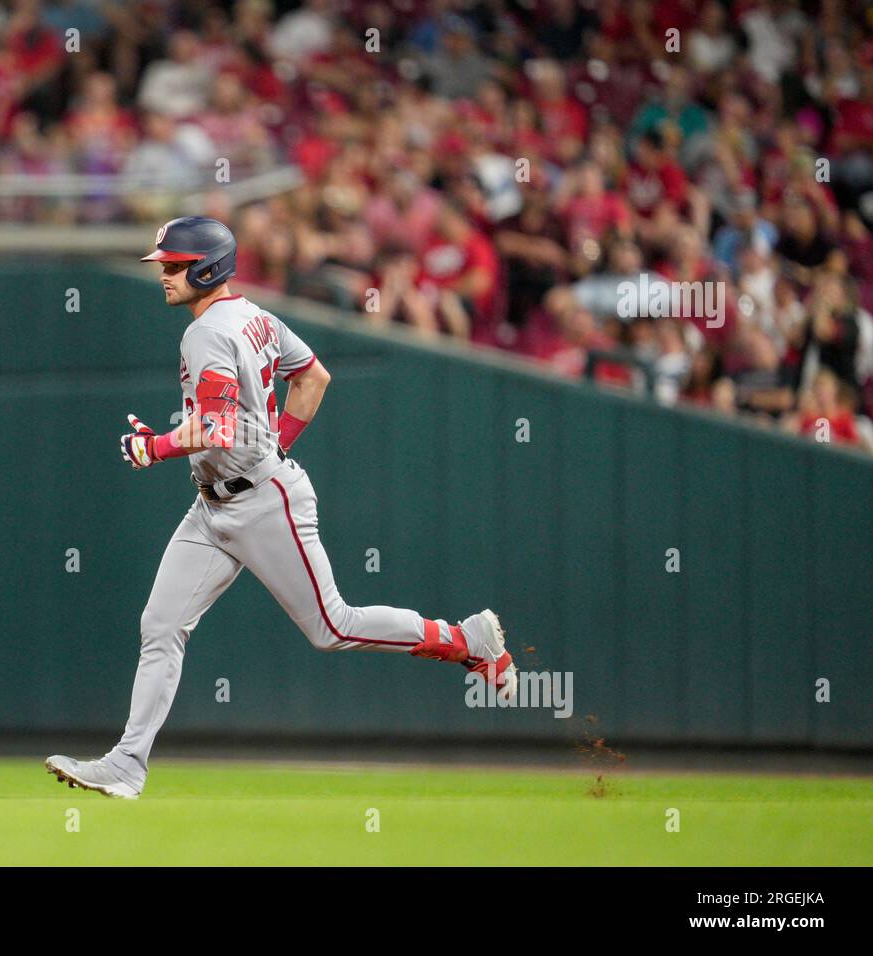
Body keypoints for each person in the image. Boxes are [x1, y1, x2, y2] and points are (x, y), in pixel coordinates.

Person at [45, 217, 518, 798]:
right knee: (161, 625)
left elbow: (217, 425)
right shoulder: (257, 317)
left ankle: (467, 640)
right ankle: (127, 763)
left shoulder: (207, 332)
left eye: (173, 264)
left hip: (263, 501)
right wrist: (271, 440)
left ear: (206, 267)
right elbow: (313, 378)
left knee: (332, 627)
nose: (163, 274)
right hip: (214, 505)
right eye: (163, 264)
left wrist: (155, 447)